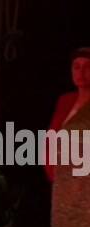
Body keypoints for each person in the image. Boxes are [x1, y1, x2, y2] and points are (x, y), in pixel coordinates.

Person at [46, 47, 90, 183]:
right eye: (76, 67)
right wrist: (53, 171)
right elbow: (51, 138)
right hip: (62, 183)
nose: (81, 73)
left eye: (87, 67)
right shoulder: (65, 101)